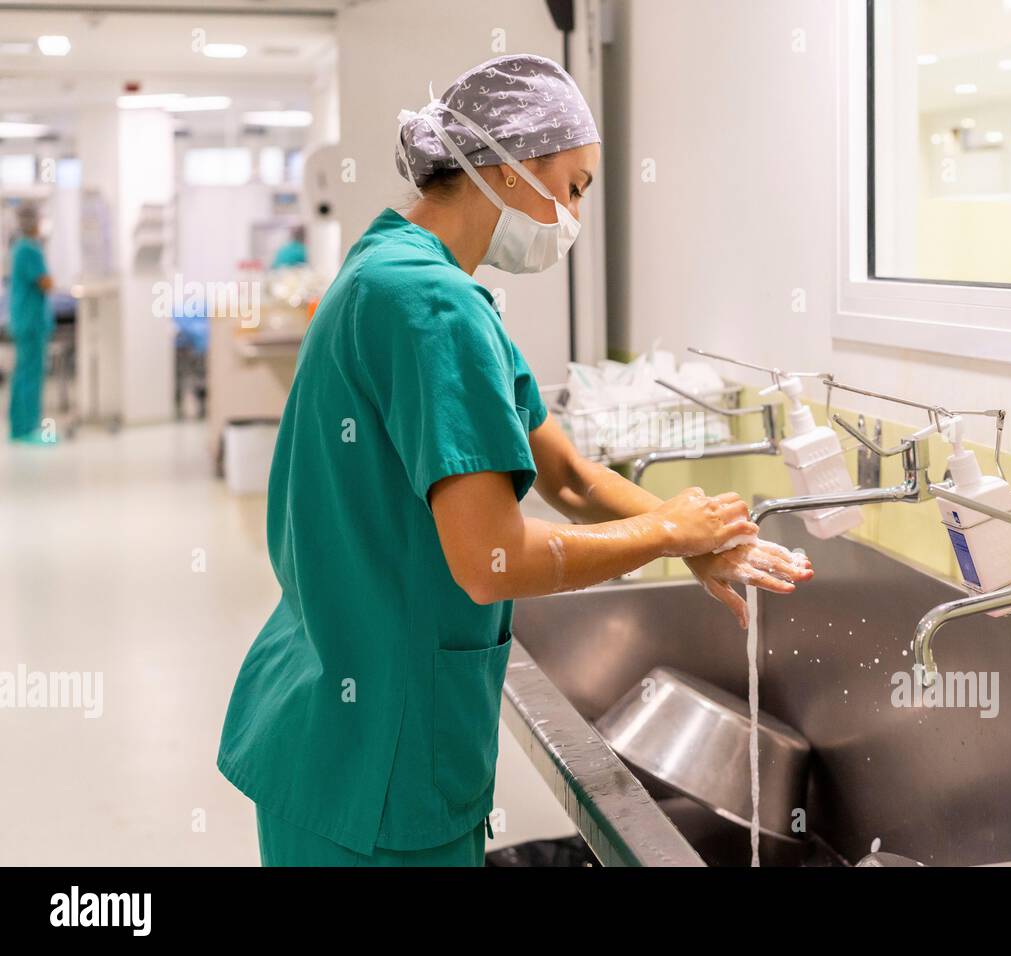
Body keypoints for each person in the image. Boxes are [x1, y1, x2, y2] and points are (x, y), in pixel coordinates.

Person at [217, 54, 814, 868]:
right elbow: (491, 560)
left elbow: (566, 477)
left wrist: (697, 537)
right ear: (509, 166)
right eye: (573, 188)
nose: (572, 218)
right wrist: (668, 532)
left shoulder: (403, 270)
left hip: (330, 717)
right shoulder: (435, 307)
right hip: (379, 769)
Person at [7, 204, 53, 443]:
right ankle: (30, 429)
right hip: (31, 322)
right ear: (35, 222)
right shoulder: (30, 250)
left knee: (21, 372)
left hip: (22, 319)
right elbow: (46, 282)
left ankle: (17, 427)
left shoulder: (18, 249)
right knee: (31, 374)